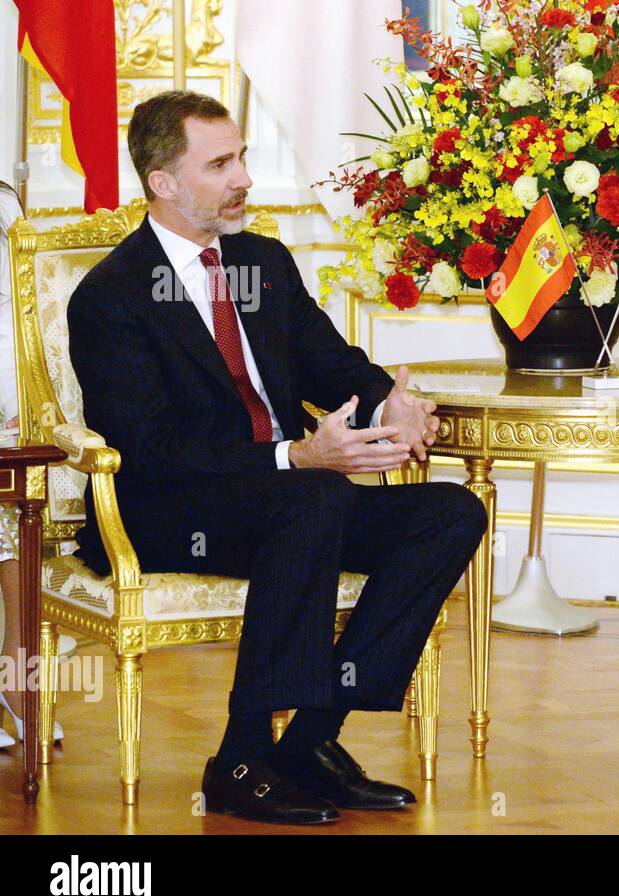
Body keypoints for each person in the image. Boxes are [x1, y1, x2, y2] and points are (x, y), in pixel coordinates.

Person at [66, 90, 487, 825]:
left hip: (292, 502)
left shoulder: (262, 261)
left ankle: (310, 741)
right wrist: (295, 455)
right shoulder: (111, 296)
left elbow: (333, 364)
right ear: (163, 183)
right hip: (171, 511)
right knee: (315, 496)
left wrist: (391, 404)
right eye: (221, 163)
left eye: (243, 158)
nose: (245, 179)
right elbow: (155, 451)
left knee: (450, 512)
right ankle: (238, 756)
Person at [0, 180, 68, 748]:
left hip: (5, 405)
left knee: (16, 540)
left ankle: (18, 682)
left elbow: (18, 316)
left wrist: (22, 402)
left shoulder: (3, 205)